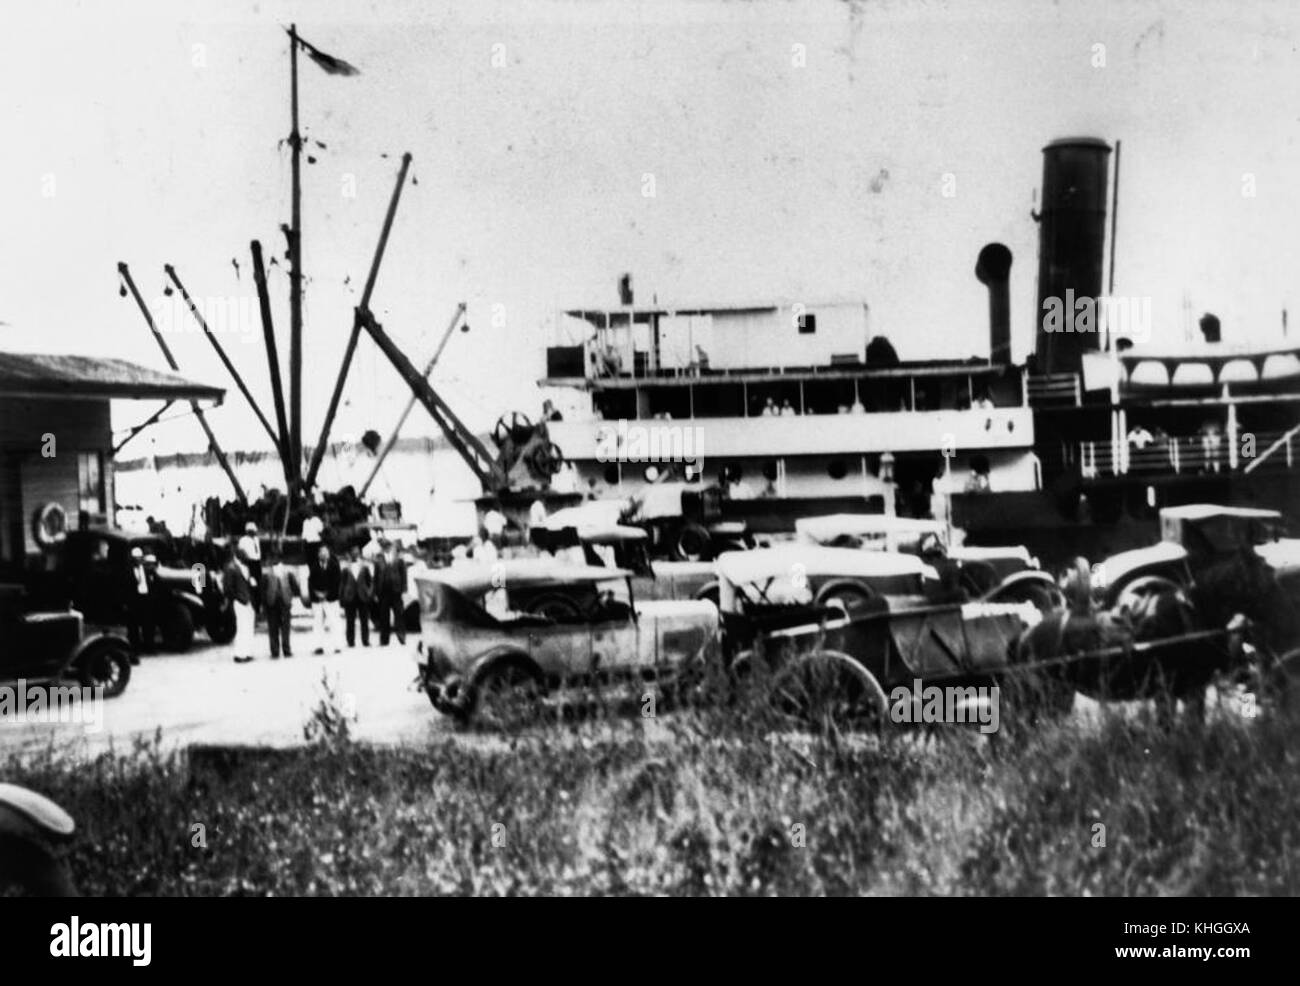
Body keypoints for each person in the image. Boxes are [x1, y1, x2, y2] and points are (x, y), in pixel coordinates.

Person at [260, 546, 301, 660]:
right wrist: (264, 604)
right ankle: (275, 651)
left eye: (275, 557)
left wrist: (290, 596)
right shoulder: (266, 572)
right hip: (271, 603)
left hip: (284, 602)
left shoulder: (287, 572)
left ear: (280, 558)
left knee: (285, 628)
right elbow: (262, 590)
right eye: (271, 557)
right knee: (273, 628)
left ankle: (286, 649)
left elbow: (295, 587)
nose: (273, 559)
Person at [307, 543, 343, 654]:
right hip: (317, 600)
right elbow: (310, 582)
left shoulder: (334, 565)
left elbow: (337, 582)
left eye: (325, 552)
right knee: (318, 623)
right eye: (321, 552)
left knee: (334, 622)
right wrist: (317, 594)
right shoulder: (314, 566)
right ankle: (318, 646)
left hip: (331, 599)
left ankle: (337, 645)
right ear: (318, 554)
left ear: (329, 554)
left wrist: (326, 594)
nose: (323, 554)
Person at [222, 545, 255, 664]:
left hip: (247, 600)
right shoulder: (231, 568)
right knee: (242, 628)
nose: (245, 557)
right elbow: (228, 589)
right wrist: (238, 598)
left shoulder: (245, 568)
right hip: (240, 602)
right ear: (237, 556)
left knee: (248, 627)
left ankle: (247, 652)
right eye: (243, 555)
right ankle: (239, 654)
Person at [373, 540, 407, 646]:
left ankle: (401, 637)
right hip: (383, 591)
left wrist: (404, 589)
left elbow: (404, 574)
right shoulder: (378, 559)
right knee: (384, 616)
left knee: (399, 615)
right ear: (382, 548)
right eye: (384, 547)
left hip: (396, 591)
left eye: (388, 546)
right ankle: (384, 640)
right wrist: (375, 592)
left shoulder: (399, 558)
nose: (387, 548)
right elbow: (376, 576)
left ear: (391, 547)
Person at [338, 546, 373, 648]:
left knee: (364, 620)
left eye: (357, 552)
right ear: (350, 554)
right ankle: (350, 641)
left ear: (359, 553)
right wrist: (341, 597)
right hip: (350, 596)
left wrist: (369, 593)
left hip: (362, 596)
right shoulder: (345, 568)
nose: (355, 554)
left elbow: (370, 581)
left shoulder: (365, 567)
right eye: (353, 552)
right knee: (350, 620)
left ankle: (365, 640)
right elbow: (342, 583)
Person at [125, 547, 156, 654]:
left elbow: (151, 584)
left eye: (140, 557)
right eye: (136, 558)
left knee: (148, 624)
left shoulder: (146, 570)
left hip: (146, 599)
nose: (138, 560)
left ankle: (149, 647)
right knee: (133, 627)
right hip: (134, 600)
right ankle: (135, 649)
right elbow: (126, 587)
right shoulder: (128, 571)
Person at [237, 522, 263, 617]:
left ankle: (258, 607)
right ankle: (253, 607)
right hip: (250, 564)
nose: (254, 533)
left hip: (257, 564)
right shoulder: (243, 540)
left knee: (259, 586)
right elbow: (241, 553)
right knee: (252, 585)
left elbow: (258, 553)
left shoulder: (256, 539)